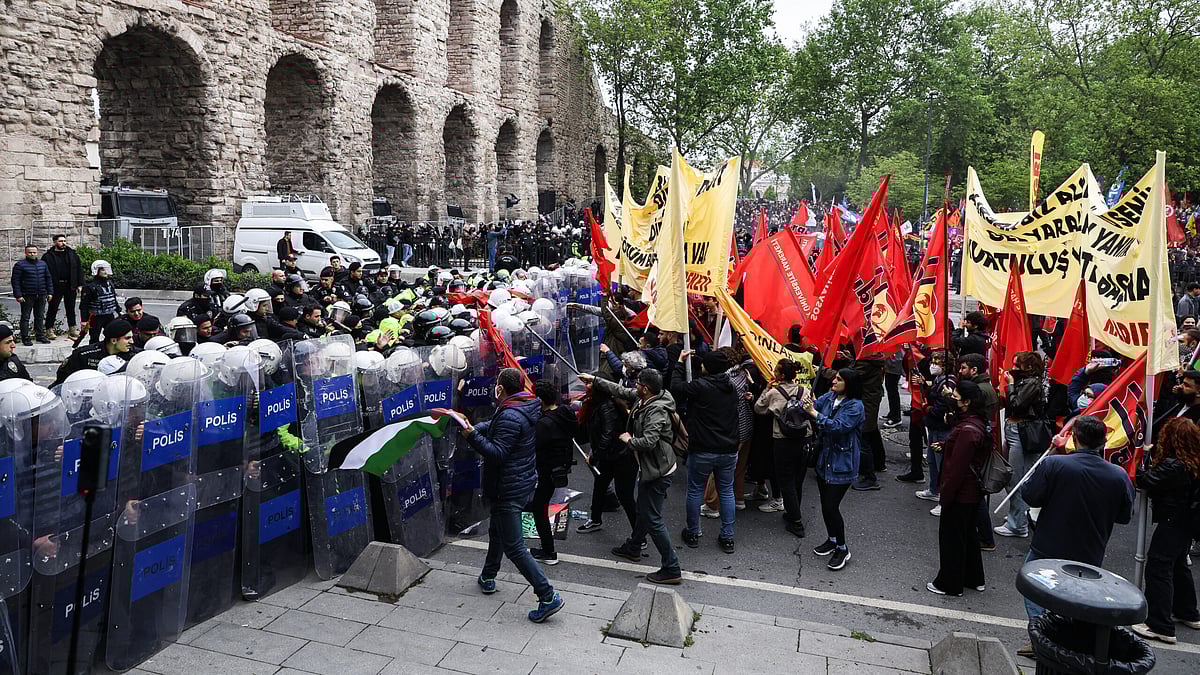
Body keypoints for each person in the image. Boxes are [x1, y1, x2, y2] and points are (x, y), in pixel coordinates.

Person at [459, 368, 564, 623]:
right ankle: (488, 575)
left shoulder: (509, 413)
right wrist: (475, 427)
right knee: (497, 530)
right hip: (521, 481)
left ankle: (547, 595)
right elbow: (496, 427)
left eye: (496, 384)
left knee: (515, 547)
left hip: (509, 487)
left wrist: (471, 436)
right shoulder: (521, 405)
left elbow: (497, 452)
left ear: (501, 388)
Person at [1021, 416, 1134, 618]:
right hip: (1090, 550)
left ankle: (1040, 632)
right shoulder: (1119, 476)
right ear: (1104, 442)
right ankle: (1061, 636)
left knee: (1035, 588)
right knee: (1078, 596)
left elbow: (1031, 496)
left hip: (1048, 545)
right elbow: (1125, 516)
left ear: (1074, 437)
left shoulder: (1053, 464)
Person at [582, 369, 682, 585]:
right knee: (643, 510)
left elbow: (649, 442)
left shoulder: (657, 410)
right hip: (651, 469)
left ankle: (671, 567)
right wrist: (595, 380)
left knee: (653, 519)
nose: (634, 386)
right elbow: (621, 390)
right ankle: (634, 547)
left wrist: (629, 440)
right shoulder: (646, 397)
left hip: (658, 470)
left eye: (638, 384)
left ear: (645, 388)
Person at [1130, 418, 1200, 644]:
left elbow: (1147, 480)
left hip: (1173, 521)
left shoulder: (1175, 465)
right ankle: (1186, 611)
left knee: (1159, 567)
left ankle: (1160, 625)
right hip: (1187, 521)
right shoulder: (1191, 461)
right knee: (1178, 565)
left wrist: (1137, 458)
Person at [673, 350, 740, 553]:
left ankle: (693, 532)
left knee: (695, 490)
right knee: (726, 491)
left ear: (707, 368)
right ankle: (728, 537)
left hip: (703, 448)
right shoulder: (731, 387)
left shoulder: (700, 387)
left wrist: (679, 364)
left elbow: (675, 387)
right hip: (728, 449)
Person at [928, 381, 990, 596]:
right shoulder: (976, 423)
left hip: (961, 493)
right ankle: (974, 578)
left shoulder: (967, 430)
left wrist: (945, 496)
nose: (951, 398)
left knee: (952, 539)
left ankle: (949, 584)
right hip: (971, 493)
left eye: (955, 396)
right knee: (968, 536)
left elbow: (957, 469)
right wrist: (947, 446)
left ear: (966, 402)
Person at [802, 368, 864, 571]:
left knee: (831, 506)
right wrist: (805, 402)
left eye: (839, 379)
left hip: (842, 464)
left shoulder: (855, 406)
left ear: (849, 383)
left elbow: (838, 426)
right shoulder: (830, 397)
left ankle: (842, 548)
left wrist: (814, 413)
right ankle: (832, 539)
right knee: (825, 505)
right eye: (834, 378)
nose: (834, 381)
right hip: (824, 461)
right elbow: (813, 406)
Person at [754, 358, 811, 537]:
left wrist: (766, 389)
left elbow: (759, 408)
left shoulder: (773, 393)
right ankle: (793, 512)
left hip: (783, 440)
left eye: (776, 371)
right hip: (805, 439)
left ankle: (796, 521)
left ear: (781, 375)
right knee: (797, 480)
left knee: (785, 480)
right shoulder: (805, 391)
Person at [996, 352, 1048, 538]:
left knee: (1017, 478)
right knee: (1014, 474)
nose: (1014, 368)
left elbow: (1016, 404)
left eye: (1018, 365)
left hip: (1022, 432)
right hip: (1015, 430)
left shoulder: (1031, 383)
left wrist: (1010, 386)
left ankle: (1018, 524)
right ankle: (1017, 515)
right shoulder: (1026, 382)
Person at [576, 374, 635, 536]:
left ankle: (639, 535)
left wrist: (594, 457)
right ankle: (595, 519)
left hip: (621, 458)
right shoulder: (595, 404)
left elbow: (607, 436)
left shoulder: (606, 406)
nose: (586, 386)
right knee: (600, 487)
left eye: (589, 383)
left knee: (625, 496)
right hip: (610, 456)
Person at [526, 380, 576, 565]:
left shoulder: (545, 424)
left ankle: (548, 551)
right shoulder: (564, 414)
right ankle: (547, 548)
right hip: (559, 469)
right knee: (541, 506)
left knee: (540, 509)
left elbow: (534, 446)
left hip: (546, 471)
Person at [52, 319, 137, 386]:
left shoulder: (136, 356)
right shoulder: (83, 354)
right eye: (127, 338)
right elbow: (62, 380)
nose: (132, 342)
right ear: (114, 340)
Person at [42, 234, 83, 340]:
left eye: (64, 241)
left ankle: (72, 328)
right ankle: (49, 329)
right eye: (60, 241)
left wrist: (79, 284)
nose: (63, 243)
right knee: (53, 308)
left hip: (70, 285)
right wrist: (47, 288)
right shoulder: (48, 256)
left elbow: (79, 270)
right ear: (55, 242)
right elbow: (44, 272)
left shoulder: (72, 254)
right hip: (55, 285)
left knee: (71, 308)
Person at [11, 244, 54, 345]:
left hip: (41, 294)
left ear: (37, 253)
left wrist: (50, 292)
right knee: (25, 317)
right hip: (27, 295)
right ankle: (25, 337)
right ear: (25, 253)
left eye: (34, 252)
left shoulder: (43, 264)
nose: (32, 254)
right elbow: (15, 281)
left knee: (39, 316)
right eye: (30, 252)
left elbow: (48, 279)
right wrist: (18, 295)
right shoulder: (20, 265)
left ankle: (39, 335)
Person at [80, 259, 119, 344]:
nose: (105, 272)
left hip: (109, 315)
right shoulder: (90, 287)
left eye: (106, 269)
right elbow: (84, 305)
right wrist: (84, 320)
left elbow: (113, 299)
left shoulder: (110, 284)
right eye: (102, 269)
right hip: (95, 317)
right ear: (96, 271)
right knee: (94, 337)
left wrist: (119, 311)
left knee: (112, 335)